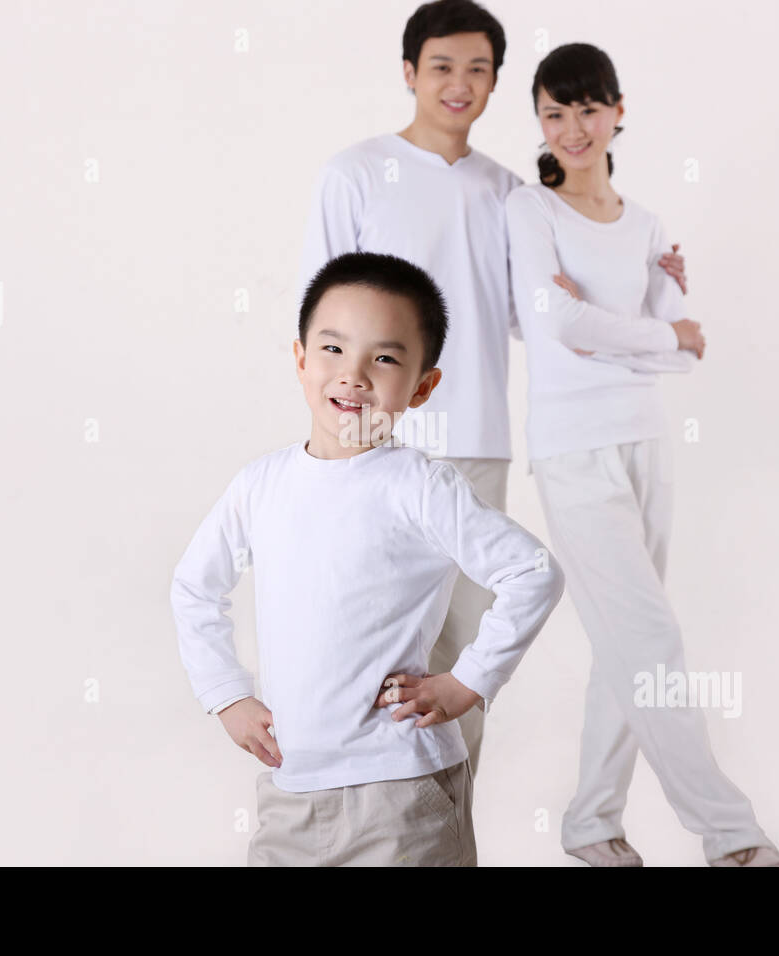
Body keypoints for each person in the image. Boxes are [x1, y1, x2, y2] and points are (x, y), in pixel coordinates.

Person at [295, 0, 686, 778]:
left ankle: (446, 838)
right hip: (372, 445)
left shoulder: (511, 195)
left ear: (496, 81)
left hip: (475, 443)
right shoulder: (355, 173)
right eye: (442, 66)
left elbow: (538, 319)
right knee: (365, 650)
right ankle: (363, 823)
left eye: (478, 69)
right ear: (410, 73)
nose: (460, 83)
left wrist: (648, 284)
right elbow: (319, 315)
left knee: (462, 671)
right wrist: (330, 450)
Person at [171, 251, 565, 866]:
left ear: (422, 386)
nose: (352, 376)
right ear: (301, 360)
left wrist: (468, 682)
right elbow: (195, 588)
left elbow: (532, 572)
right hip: (290, 790)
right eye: (332, 349)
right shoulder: (259, 485)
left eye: (383, 358)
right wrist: (226, 692)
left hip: (402, 798)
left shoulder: (419, 486)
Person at [505, 42, 779, 867]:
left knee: (624, 645)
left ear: (618, 110)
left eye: (587, 108)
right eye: (554, 113)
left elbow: (680, 354)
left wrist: (625, 335)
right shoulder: (531, 212)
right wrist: (651, 331)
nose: (572, 128)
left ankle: (592, 822)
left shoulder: (648, 226)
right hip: (572, 450)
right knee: (653, 642)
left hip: (646, 443)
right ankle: (731, 836)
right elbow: (560, 326)